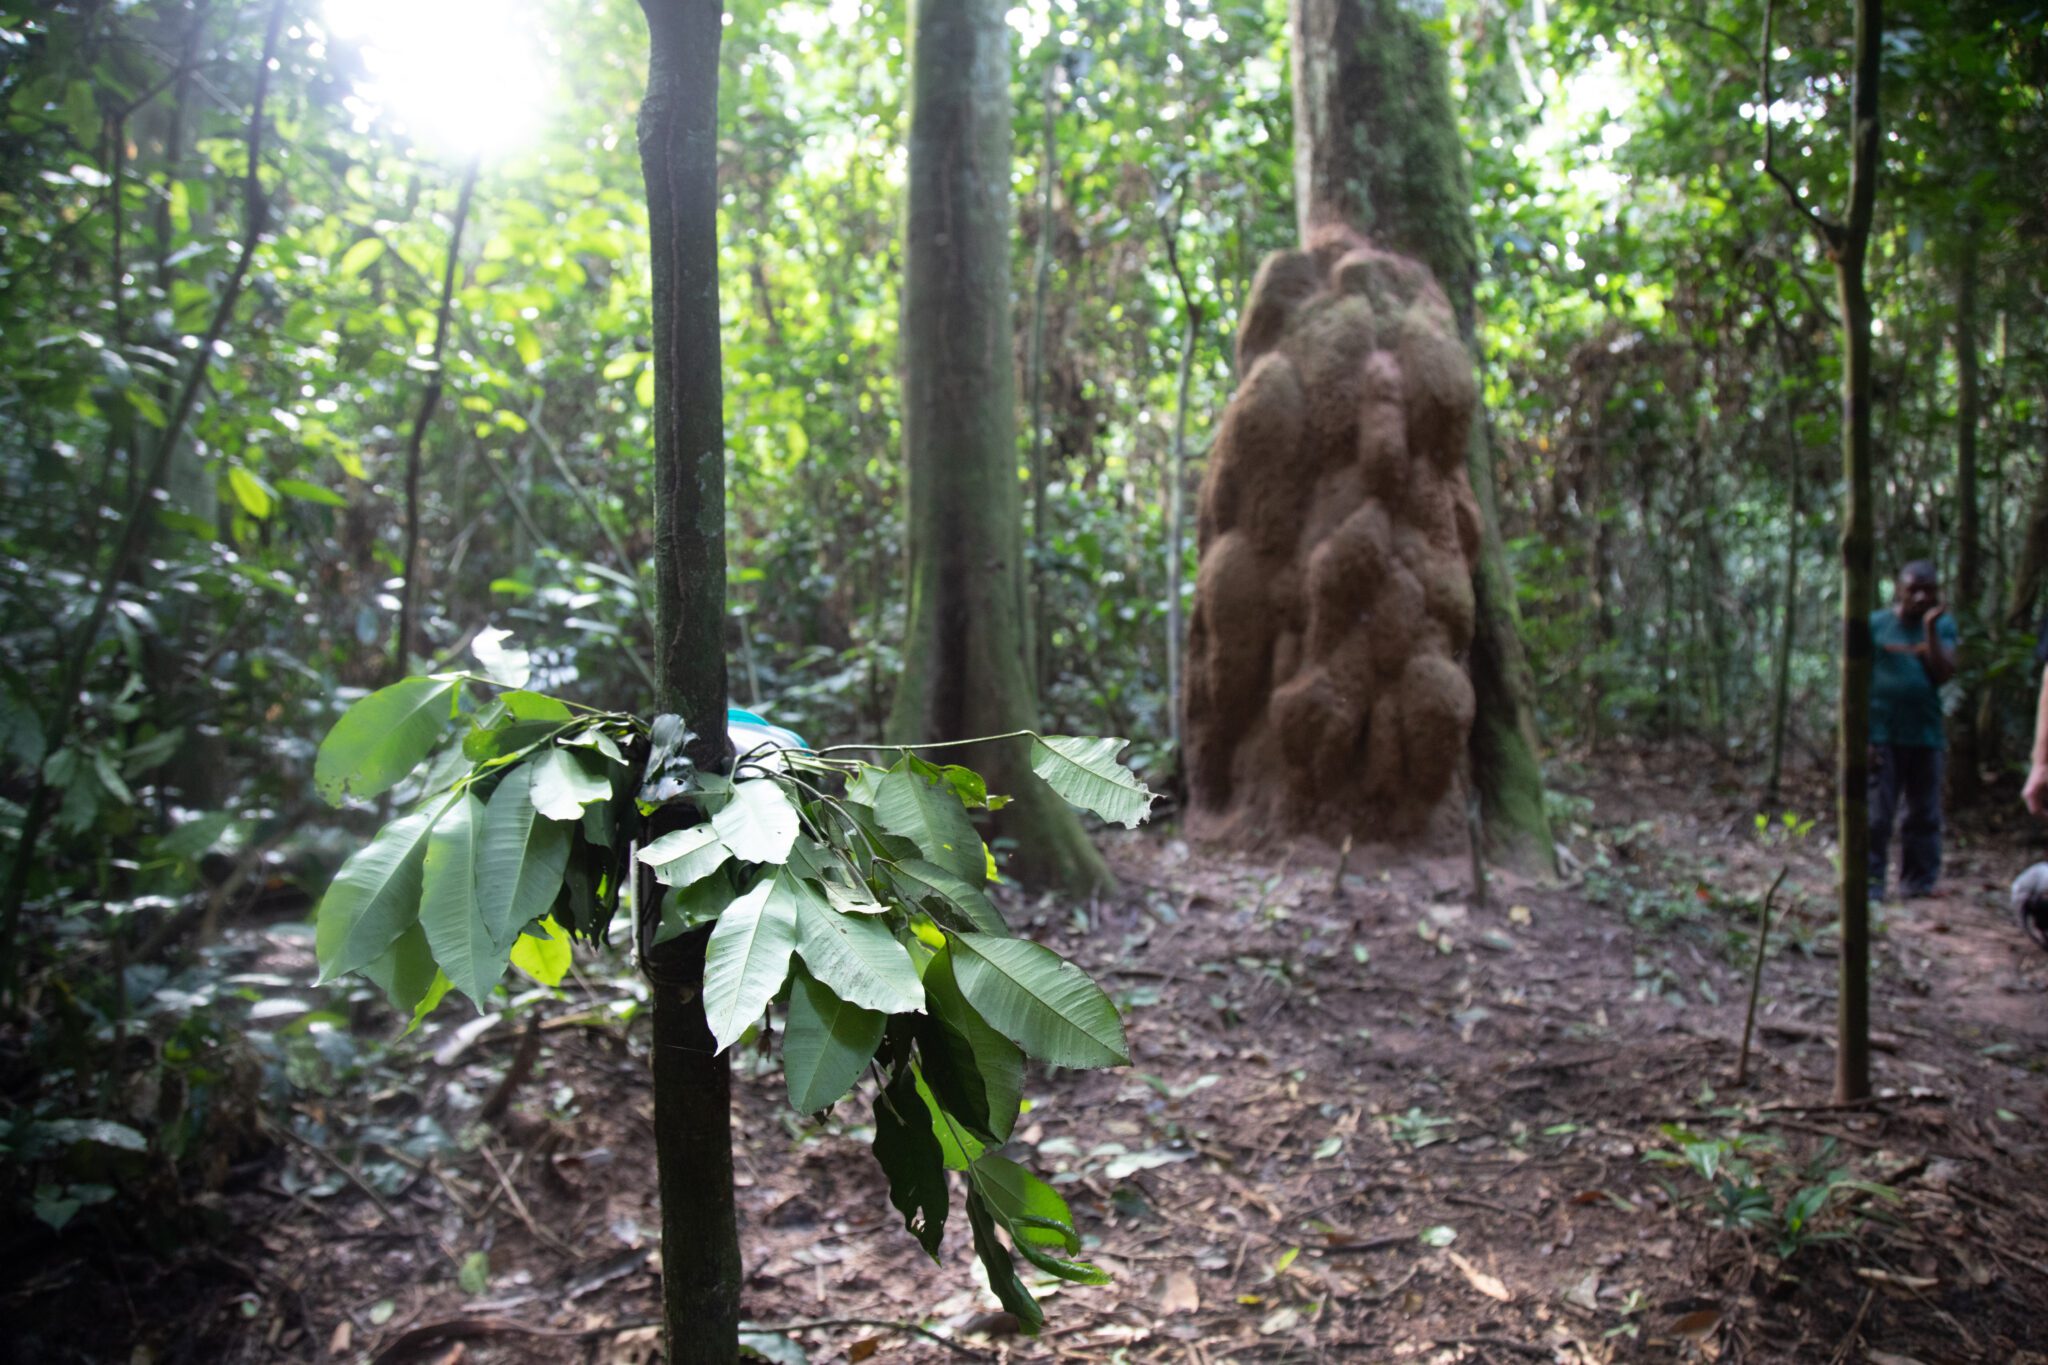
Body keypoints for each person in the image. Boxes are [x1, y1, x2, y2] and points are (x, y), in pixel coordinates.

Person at [1867, 560, 1957, 898]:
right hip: (1882, 734)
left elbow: (1944, 672)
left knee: (1923, 814)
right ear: (1899, 589)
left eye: (1928, 590)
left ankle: (1917, 884)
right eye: (1913, 589)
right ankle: (1870, 884)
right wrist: (1863, 736)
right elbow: (1856, 682)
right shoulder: (1876, 625)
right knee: (1877, 815)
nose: (1920, 596)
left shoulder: (1942, 626)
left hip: (1926, 735)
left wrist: (1931, 630)